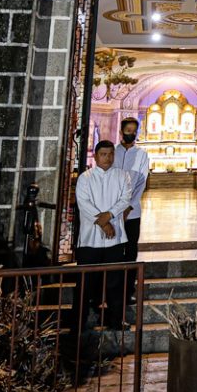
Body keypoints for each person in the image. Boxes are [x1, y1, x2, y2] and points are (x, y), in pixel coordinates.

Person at [75, 139, 132, 330]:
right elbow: (83, 203)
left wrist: (110, 215)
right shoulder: (85, 177)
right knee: (85, 282)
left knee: (115, 283)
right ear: (96, 156)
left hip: (115, 239)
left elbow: (126, 199)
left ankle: (116, 320)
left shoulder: (123, 176)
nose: (107, 158)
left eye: (110, 154)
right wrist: (104, 223)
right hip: (90, 238)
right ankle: (79, 321)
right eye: (103, 154)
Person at [115, 116, 151, 313]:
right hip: (111, 211)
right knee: (112, 250)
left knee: (130, 250)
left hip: (132, 211)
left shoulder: (141, 154)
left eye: (133, 130)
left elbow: (142, 180)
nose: (131, 133)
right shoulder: (112, 151)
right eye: (127, 130)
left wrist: (129, 205)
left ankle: (128, 289)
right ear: (122, 132)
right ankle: (110, 289)